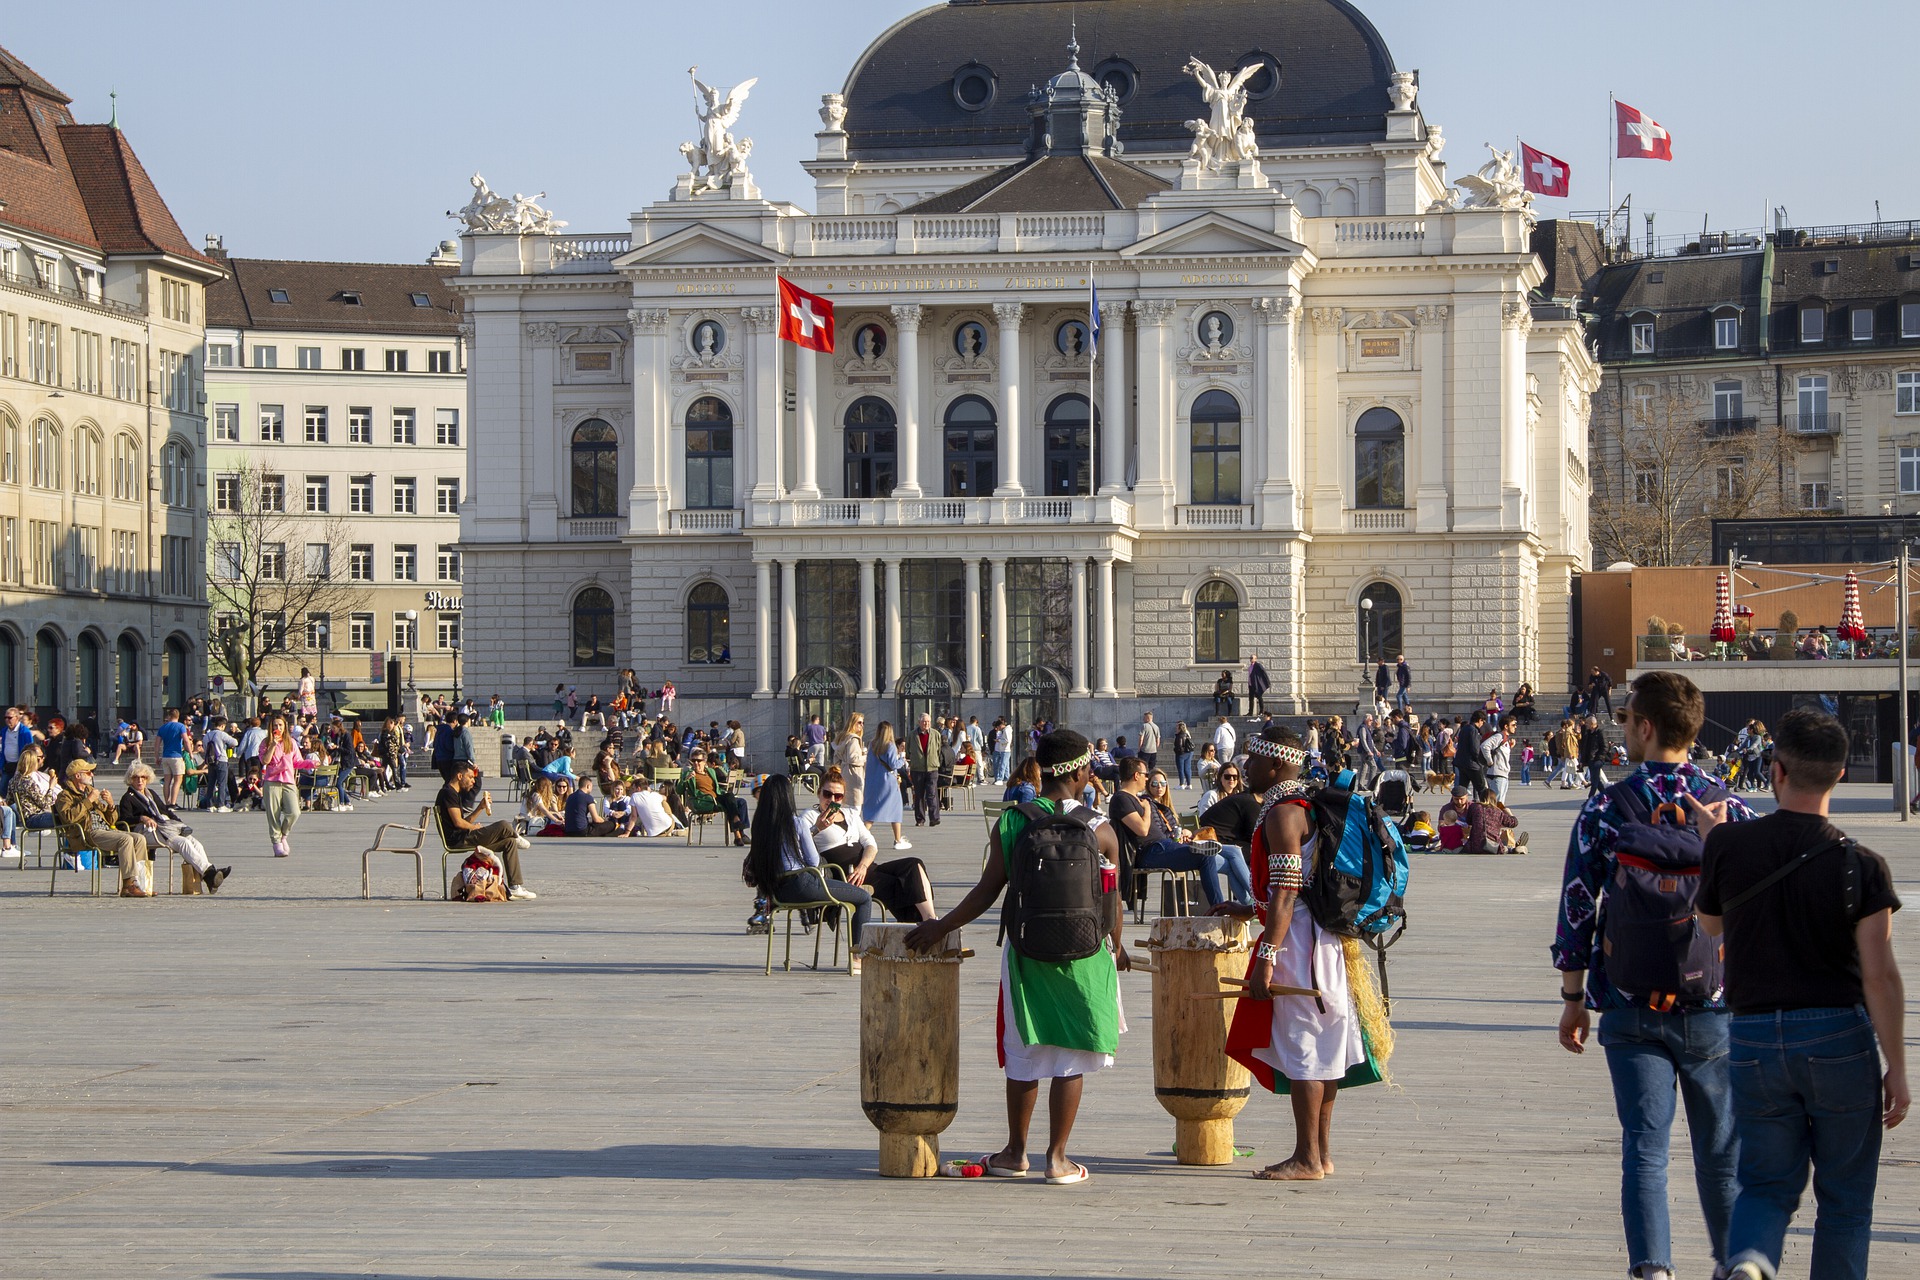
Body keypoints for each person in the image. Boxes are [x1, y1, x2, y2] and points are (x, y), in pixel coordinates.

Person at [1553, 671, 1755, 1280]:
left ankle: (1654, 1268)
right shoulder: (1734, 810)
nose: (1623, 730)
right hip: (1712, 1004)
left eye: (1625, 720)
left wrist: (1572, 1000)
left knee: (1645, 1147)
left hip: (1629, 1000)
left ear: (1645, 727)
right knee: (1721, 1151)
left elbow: (1577, 907)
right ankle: (1734, 1262)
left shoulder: (1606, 808)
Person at [1692, 709, 1907, 1280]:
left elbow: (1710, 927)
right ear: (1839, 776)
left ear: (1776, 771)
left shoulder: (1730, 846)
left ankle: (1752, 1260)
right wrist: (1899, 1068)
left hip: (1755, 1037)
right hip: (1840, 1038)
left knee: (1765, 1183)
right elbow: (1879, 975)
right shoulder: (1862, 864)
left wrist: (1713, 844)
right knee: (1844, 1200)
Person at [907, 728, 1128, 1184]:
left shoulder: (1011, 822)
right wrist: (1117, 946)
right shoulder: (1100, 828)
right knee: (1073, 1055)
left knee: (1026, 1052)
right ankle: (1059, 1159)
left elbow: (988, 891)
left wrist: (940, 926)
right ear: (1082, 773)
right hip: (1085, 956)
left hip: (1026, 951)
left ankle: (1015, 1153)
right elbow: (1112, 901)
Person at [1226, 725, 1386, 1181]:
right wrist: (1246, 906)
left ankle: (1307, 1158)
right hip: (1324, 940)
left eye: (1253, 761)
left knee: (1306, 1048)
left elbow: (1285, 893)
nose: (1245, 768)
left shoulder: (1283, 814)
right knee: (1324, 1049)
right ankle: (1320, 1154)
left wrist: (1267, 957)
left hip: (1299, 943)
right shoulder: (1305, 805)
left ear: (1276, 765)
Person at [746, 774, 875, 969]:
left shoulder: (760, 826)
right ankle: (857, 958)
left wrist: (813, 830)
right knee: (863, 897)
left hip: (778, 893)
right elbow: (813, 861)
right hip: (803, 885)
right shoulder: (795, 822)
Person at [1110, 758, 1250, 911]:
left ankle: (1225, 906)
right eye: (1146, 774)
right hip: (1151, 850)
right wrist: (1148, 810)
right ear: (1136, 775)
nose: (1147, 778)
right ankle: (1220, 908)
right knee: (1205, 855)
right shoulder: (1121, 798)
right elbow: (1142, 830)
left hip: (1165, 845)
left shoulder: (1135, 798)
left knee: (1214, 853)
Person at [805, 766, 936, 924]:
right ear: (819, 793)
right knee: (899, 884)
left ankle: (930, 919)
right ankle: (923, 926)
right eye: (827, 794)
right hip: (845, 874)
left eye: (837, 796)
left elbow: (870, 844)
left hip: (866, 867)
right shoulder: (811, 816)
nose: (832, 800)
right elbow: (800, 841)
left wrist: (863, 866)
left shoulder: (850, 814)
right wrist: (818, 828)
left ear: (843, 798)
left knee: (914, 864)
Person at [119, 762, 230, 892]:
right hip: (146, 832)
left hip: (163, 827)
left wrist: (178, 822)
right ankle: (210, 874)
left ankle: (209, 877)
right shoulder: (127, 798)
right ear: (130, 779)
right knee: (183, 843)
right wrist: (141, 818)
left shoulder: (151, 793)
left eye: (143, 777)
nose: (139, 780)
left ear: (147, 779)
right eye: (136, 777)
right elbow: (124, 819)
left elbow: (164, 810)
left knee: (195, 842)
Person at [438, 760, 535, 898]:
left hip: (464, 836)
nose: (473, 781)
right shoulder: (448, 793)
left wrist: (480, 807)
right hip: (459, 839)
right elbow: (459, 823)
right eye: (470, 777)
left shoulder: (454, 793)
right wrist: (474, 827)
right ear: (460, 776)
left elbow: (463, 821)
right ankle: (515, 836)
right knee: (503, 825)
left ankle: (515, 886)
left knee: (509, 843)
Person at [54, 759, 150, 893]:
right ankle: (129, 885)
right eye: (88, 772)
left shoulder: (90, 791)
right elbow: (69, 818)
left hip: (105, 830)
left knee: (139, 838)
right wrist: (88, 801)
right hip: (87, 833)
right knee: (126, 840)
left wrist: (110, 804)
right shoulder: (64, 796)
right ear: (77, 775)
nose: (92, 775)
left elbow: (112, 821)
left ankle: (141, 884)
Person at [677, 747, 749, 845]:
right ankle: (739, 833)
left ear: (704, 761)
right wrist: (685, 779)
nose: (696, 763)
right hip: (704, 800)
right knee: (729, 802)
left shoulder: (711, 771)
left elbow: (717, 789)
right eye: (693, 761)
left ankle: (739, 832)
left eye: (699, 760)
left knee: (741, 802)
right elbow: (679, 790)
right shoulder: (688, 774)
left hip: (716, 797)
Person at [260, 716, 309, 858]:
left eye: (280, 725)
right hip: (271, 781)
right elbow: (265, 760)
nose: (278, 728)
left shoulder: (291, 742)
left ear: (285, 726)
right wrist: (273, 745)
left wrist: (310, 764)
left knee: (294, 812)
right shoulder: (265, 743)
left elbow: (297, 762)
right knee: (273, 814)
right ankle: (276, 843)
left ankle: (283, 835)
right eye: (275, 725)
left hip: (288, 781)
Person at [861, 721, 910, 851]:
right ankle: (898, 840)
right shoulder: (890, 745)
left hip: (873, 781)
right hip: (888, 782)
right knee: (896, 809)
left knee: (871, 812)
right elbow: (894, 764)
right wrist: (902, 758)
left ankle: (861, 835)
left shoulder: (872, 744)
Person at [905, 712, 945, 831]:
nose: (926, 724)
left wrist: (935, 762)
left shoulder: (936, 734)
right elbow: (908, 751)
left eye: (928, 721)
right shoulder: (912, 735)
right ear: (919, 722)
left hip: (932, 768)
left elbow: (939, 750)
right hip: (917, 769)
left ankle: (934, 818)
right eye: (924, 721)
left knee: (932, 793)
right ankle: (920, 819)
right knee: (919, 795)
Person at [1461, 789, 1526, 855]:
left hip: (1474, 847)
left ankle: (1511, 848)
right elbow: (1514, 823)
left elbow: (1468, 821)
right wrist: (1508, 812)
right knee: (1503, 848)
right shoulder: (1498, 811)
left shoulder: (1474, 807)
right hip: (1493, 847)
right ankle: (1513, 849)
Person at [833, 713, 869, 814]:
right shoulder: (853, 739)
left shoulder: (843, 738)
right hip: (854, 774)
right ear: (852, 723)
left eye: (863, 723)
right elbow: (853, 758)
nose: (862, 725)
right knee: (855, 807)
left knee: (843, 805)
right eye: (859, 722)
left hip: (843, 773)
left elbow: (836, 758)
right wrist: (865, 757)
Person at [154, 707, 190, 808]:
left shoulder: (163, 727)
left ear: (169, 716)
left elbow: (157, 744)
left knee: (167, 780)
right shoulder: (181, 726)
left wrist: (157, 757)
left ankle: (167, 802)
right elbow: (186, 740)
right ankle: (173, 803)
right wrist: (190, 753)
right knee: (178, 780)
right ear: (178, 716)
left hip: (165, 756)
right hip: (176, 756)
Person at [990, 717, 1013, 785]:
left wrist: (999, 740)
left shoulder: (1006, 730)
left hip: (1005, 749)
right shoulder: (1005, 730)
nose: (998, 729)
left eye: (998, 727)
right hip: (1003, 749)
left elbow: (1007, 740)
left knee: (1003, 764)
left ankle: (1000, 779)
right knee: (1005, 765)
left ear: (1000, 725)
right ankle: (1006, 778)